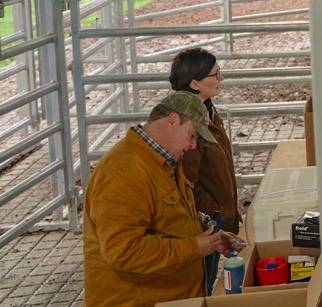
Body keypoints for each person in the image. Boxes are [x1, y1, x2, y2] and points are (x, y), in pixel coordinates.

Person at [83, 91, 242, 307]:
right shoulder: (123, 173)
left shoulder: (164, 161)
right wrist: (195, 247)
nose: (194, 146)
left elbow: (169, 213)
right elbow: (123, 251)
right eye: (192, 135)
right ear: (172, 121)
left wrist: (209, 234)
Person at [171, 47, 241, 294]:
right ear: (194, 83)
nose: (221, 80)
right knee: (201, 285)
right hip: (205, 226)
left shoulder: (208, 111)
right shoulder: (187, 124)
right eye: (215, 75)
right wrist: (214, 215)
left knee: (208, 281)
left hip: (214, 221)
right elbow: (187, 182)